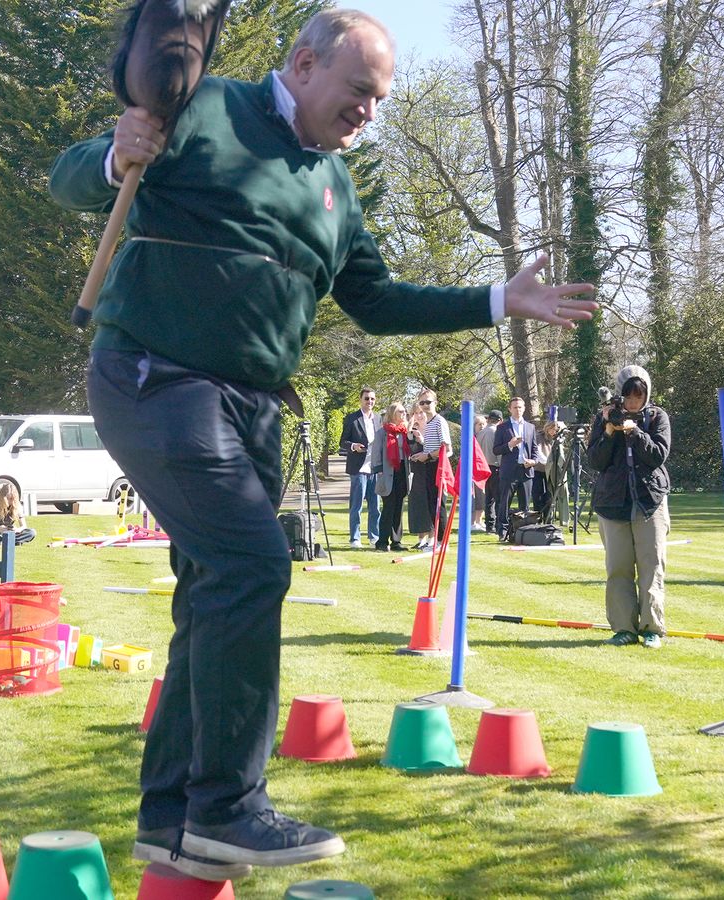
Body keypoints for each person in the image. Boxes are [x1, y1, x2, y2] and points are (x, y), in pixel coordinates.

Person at [51, 7, 594, 878]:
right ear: (303, 65)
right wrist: (118, 152)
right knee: (254, 567)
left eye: (380, 101)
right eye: (359, 93)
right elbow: (69, 179)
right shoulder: (203, 107)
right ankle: (229, 809)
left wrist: (499, 300)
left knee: (213, 593)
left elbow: (378, 301)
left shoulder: (337, 190)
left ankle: (171, 818)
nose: (368, 114)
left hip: (254, 407)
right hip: (157, 377)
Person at [586, 365, 671, 649]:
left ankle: (651, 628)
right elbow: (596, 461)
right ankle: (623, 627)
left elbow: (658, 455)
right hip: (613, 503)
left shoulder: (658, 417)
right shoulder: (605, 416)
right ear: (620, 395)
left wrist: (635, 432)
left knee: (651, 565)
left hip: (650, 501)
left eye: (639, 396)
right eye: (629, 397)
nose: (634, 402)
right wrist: (610, 430)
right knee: (618, 568)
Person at [407, 391, 452, 549]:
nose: (425, 405)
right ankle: (438, 542)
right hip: (429, 465)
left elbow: (445, 448)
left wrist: (427, 456)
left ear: (435, 402)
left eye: (428, 402)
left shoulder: (439, 421)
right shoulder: (430, 422)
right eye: (422, 403)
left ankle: (442, 541)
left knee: (439, 504)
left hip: (438, 466)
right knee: (432, 504)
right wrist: (424, 453)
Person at [338, 388, 380, 547]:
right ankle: (355, 538)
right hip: (358, 469)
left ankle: (374, 537)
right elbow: (342, 442)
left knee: (375, 506)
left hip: (374, 469)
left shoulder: (378, 419)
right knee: (356, 506)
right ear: (361, 400)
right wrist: (353, 446)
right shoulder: (352, 419)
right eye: (367, 399)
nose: (370, 402)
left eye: (372, 399)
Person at [369, 401, 411, 551]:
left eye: (404, 411)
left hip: (402, 473)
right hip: (387, 473)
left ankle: (396, 541)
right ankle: (382, 541)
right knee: (388, 507)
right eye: (400, 411)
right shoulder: (382, 432)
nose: (404, 414)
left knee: (399, 507)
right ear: (393, 413)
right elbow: (376, 454)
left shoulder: (405, 432)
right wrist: (379, 470)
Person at [493, 398, 537, 532]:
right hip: (509, 471)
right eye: (515, 407)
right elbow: (496, 450)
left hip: (525, 471)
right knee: (504, 503)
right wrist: (509, 445)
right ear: (509, 409)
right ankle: (503, 530)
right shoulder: (502, 428)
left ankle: (523, 531)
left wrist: (533, 461)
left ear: (524, 408)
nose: (518, 410)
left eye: (520, 407)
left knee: (525, 505)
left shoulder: (530, 427)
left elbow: (534, 449)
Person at [0, 480, 37, 545]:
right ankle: (12, 542)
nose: (10, 501)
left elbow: (24, 526)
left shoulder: (17, 505)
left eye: (12, 499)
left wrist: (16, 530)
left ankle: (0, 542)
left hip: (11, 533)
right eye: (8, 498)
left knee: (32, 532)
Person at [477, 410, 503, 533]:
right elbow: (498, 452)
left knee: (488, 498)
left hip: (483, 467)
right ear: (500, 420)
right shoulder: (496, 432)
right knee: (498, 497)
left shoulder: (480, 433)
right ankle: (498, 525)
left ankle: (489, 525)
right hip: (495, 466)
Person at [540, 419, 570, 527]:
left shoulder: (561, 440)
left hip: (557, 470)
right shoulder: (541, 437)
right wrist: (548, 462)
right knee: (546, 495)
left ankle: (562, 519)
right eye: (552, 428)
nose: (554, 431)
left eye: (556, 429)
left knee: (562, 492)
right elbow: (539, 452)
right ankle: (545, 519)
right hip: (541, 470)